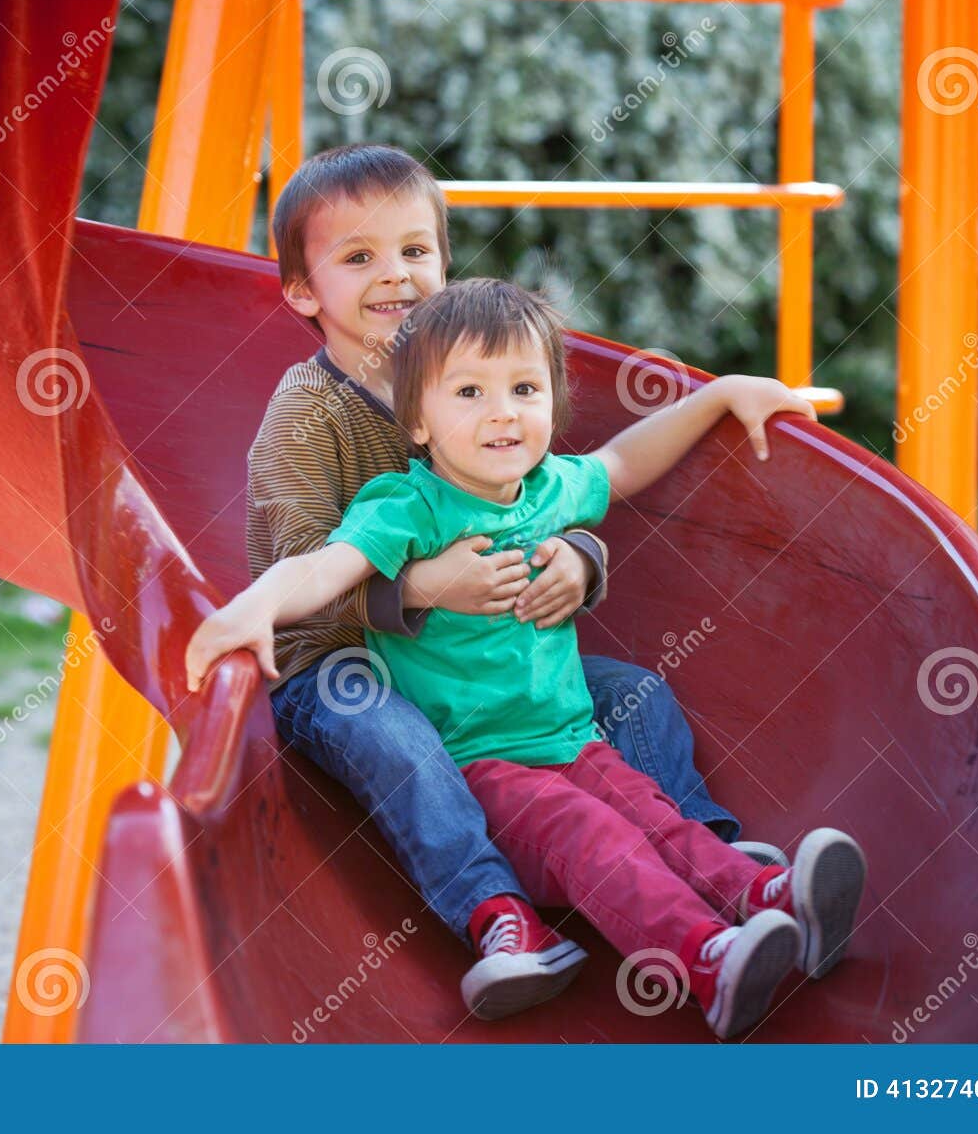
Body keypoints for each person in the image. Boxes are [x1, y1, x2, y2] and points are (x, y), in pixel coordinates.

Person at [187, 278, 867, 1038]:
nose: (503, 411)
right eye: (470, 391)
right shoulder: (406, 506)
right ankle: (704, 961)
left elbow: (621, 461)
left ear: (551, 403)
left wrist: (717, 397)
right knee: (598, 839)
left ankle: (764, 896)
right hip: (485, 769)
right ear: (418, 419)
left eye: (523, 388)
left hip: (574, 742)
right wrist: (253, 606)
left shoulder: (549, 488)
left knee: (657, 815)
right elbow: (324, 567)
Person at [229, 144, 786, 1020]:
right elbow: (301, 564)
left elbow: (562, 487)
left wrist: (581, 559)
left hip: (484, 664)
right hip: (340, 660)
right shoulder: (307, 415)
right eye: (360, 257)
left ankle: (713, 863)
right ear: (304, 290)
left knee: (633, 693)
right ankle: (499, 912)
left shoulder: (476, 370)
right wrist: (419, 588)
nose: (396, 276)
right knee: (393, 733)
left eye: (416, 250)